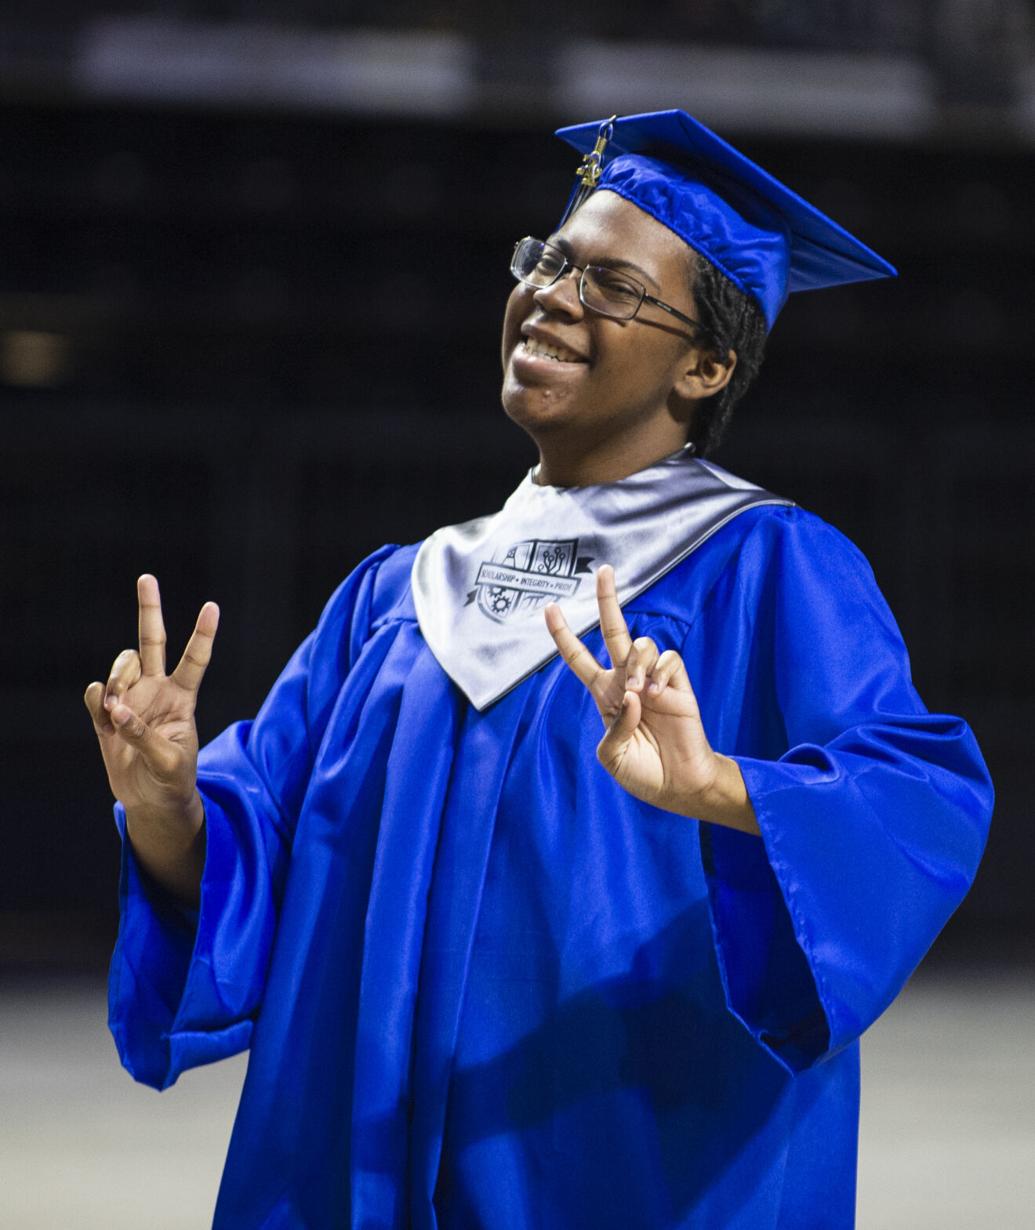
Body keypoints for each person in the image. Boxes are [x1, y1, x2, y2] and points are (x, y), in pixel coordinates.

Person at [84, 110, 993, 1229]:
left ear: (706, 365)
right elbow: (246, 865)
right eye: (551, 261)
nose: (555, 295)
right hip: (359, 1158)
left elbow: (919, 800)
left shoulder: (770, 566)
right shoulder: (399, 591)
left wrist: (720, 789)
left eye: (614, 287)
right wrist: (167, 804)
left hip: (628, 1155)